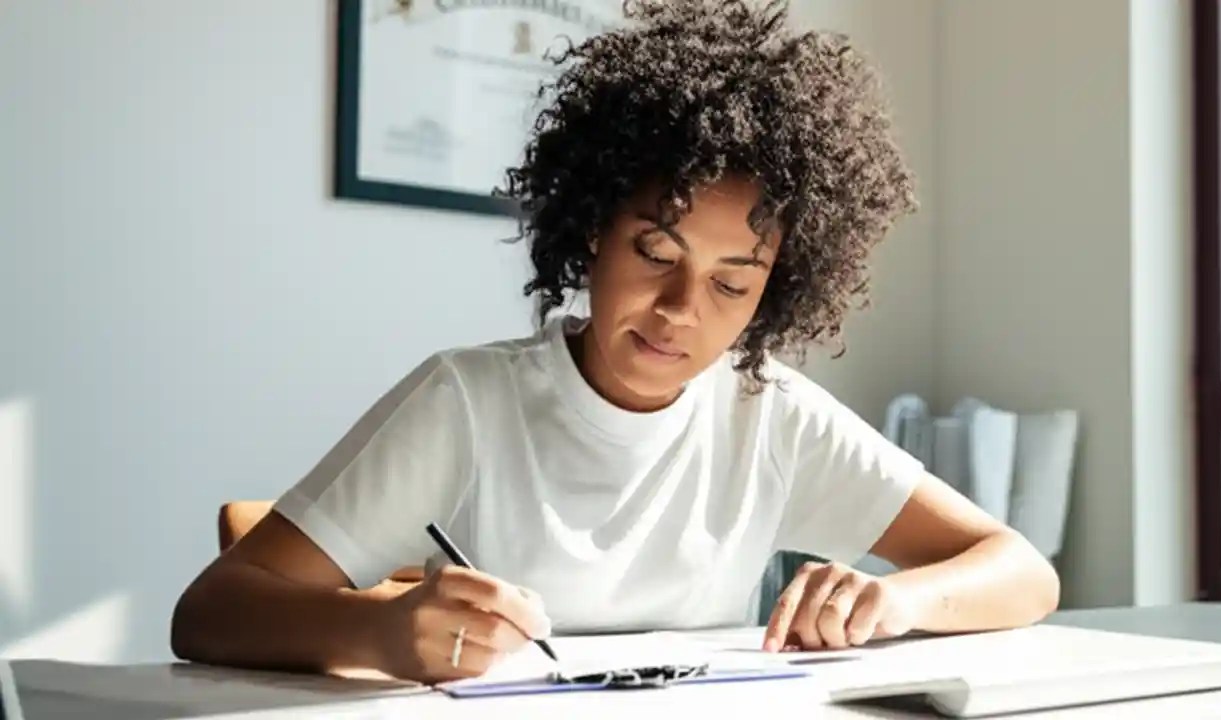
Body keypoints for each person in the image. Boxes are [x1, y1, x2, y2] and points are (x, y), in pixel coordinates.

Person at [170, 0, 1059, 684]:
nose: (679, 309)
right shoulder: (467, 403)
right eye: (654, 253)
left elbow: (1022, 571)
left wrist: (891, 600)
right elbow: (210, 612)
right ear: (592, 229)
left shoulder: (771, 419)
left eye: (730, 283)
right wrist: (380, 632)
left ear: (774, 294)